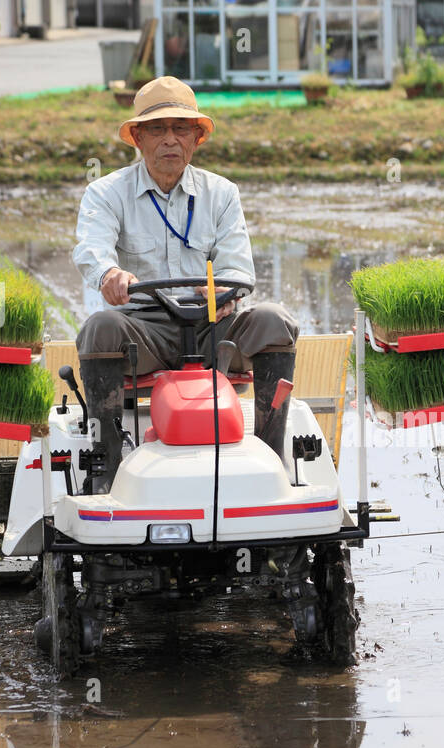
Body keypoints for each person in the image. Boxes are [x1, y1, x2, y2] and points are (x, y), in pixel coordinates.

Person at [71, 76, 298, 493]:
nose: (170, 140)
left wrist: (225, 295)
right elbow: (92, 251)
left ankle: (272, 452)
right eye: (157, 129)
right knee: (100, 327)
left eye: (181, 129)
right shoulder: (105, 193)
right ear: (137, 137)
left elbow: (238, 269)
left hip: (214, 329)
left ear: (198, 138)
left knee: (273, 319)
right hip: (144, 333)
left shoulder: (222, 193)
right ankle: (105, 463)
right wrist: (110, 275)